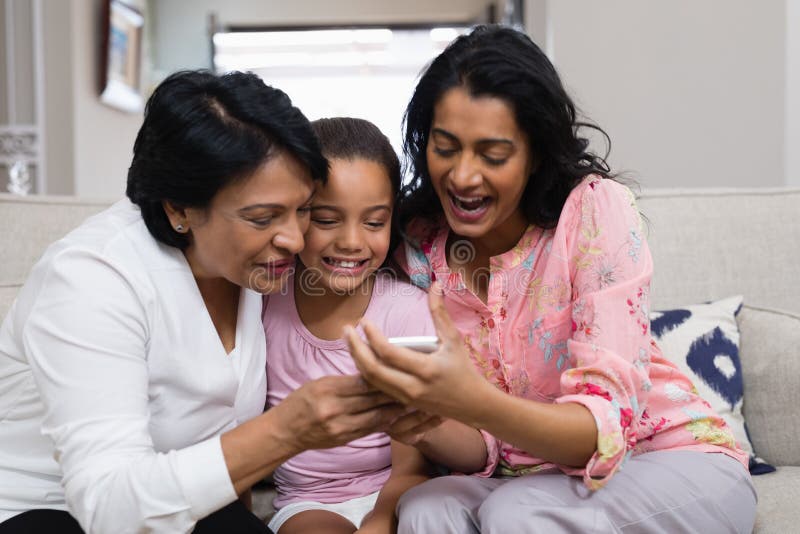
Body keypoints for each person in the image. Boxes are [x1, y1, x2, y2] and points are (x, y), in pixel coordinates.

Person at [344, 25, 757, 533]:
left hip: (667, 459)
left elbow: (603, 428)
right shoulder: (417, 246)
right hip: (521, 479)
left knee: (515, 512)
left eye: (492, 155)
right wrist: (417, 418)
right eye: (445, 147)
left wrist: (471, 401)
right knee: (428, 507)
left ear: (535, 152)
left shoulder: (590, 212)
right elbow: (481, 448)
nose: (463, 176)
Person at [0, 71, 408, 533]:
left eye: (302, 210)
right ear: (179, 209)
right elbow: (108, 506)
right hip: (55, 511)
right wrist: (286, 432)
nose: (295, 239)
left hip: (186, 511)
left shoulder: (257, 269)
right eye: (263, 217)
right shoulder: (92, 278)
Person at [263, 117, 439, 534]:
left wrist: (379, 520)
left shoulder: (406, 311)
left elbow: (412, 466)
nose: (351, 241)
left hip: (395, 492)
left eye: (374, 222)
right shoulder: (264, 302)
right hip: (307, 502)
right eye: (326, 219)